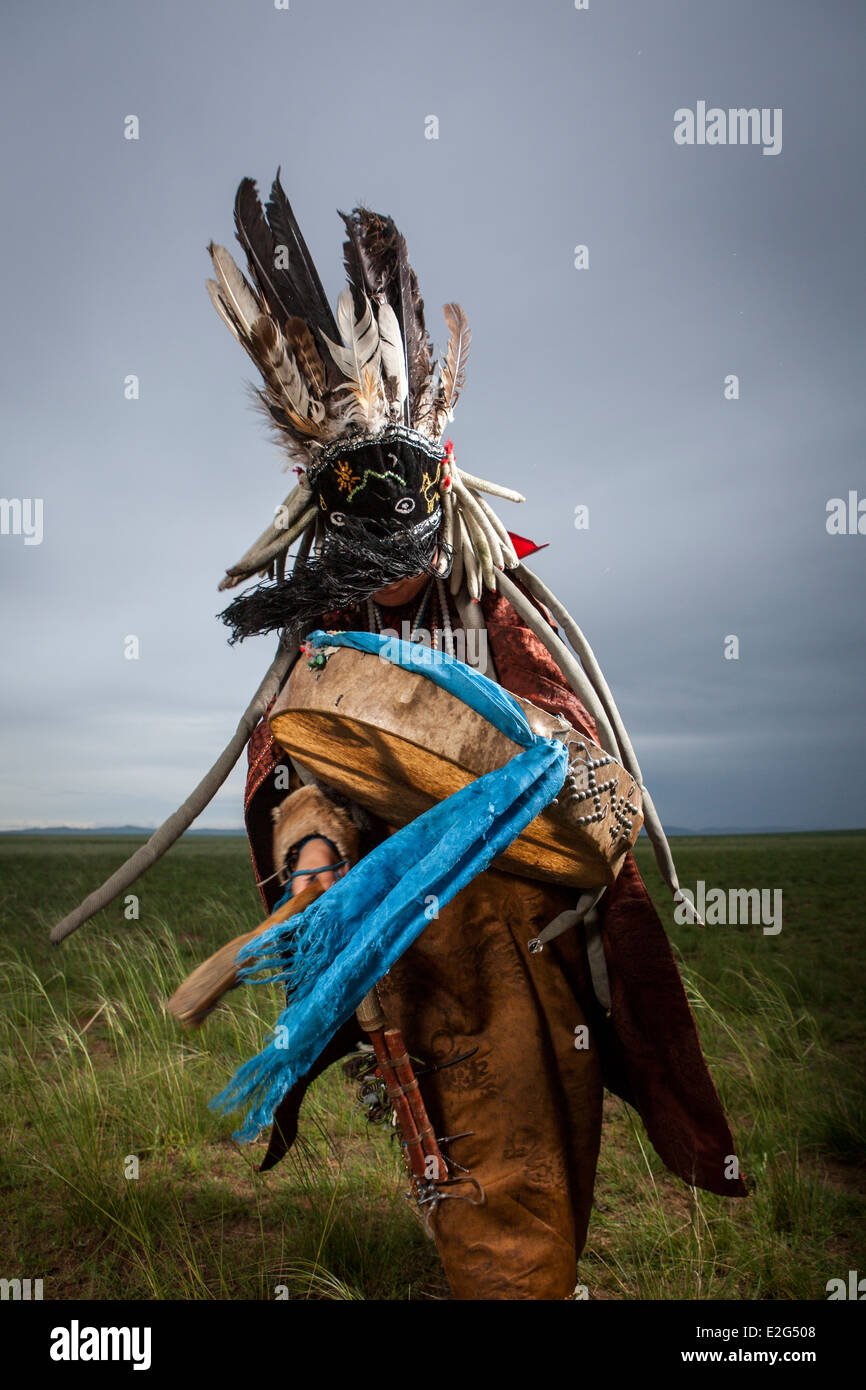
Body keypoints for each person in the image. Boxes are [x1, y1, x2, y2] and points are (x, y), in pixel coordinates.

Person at [203, 171, 746, 1300]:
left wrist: (581, 781)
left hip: (534, 917)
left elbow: (574, 738)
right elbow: (287, 759)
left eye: (405, 552)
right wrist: (310, 850)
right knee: (458, 1125)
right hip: (404, 925)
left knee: (556, 1113)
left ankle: (526, 1269)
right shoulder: (325, 633)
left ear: (443, 505)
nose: (393, 578)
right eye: (370, 559)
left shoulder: (497, 607)